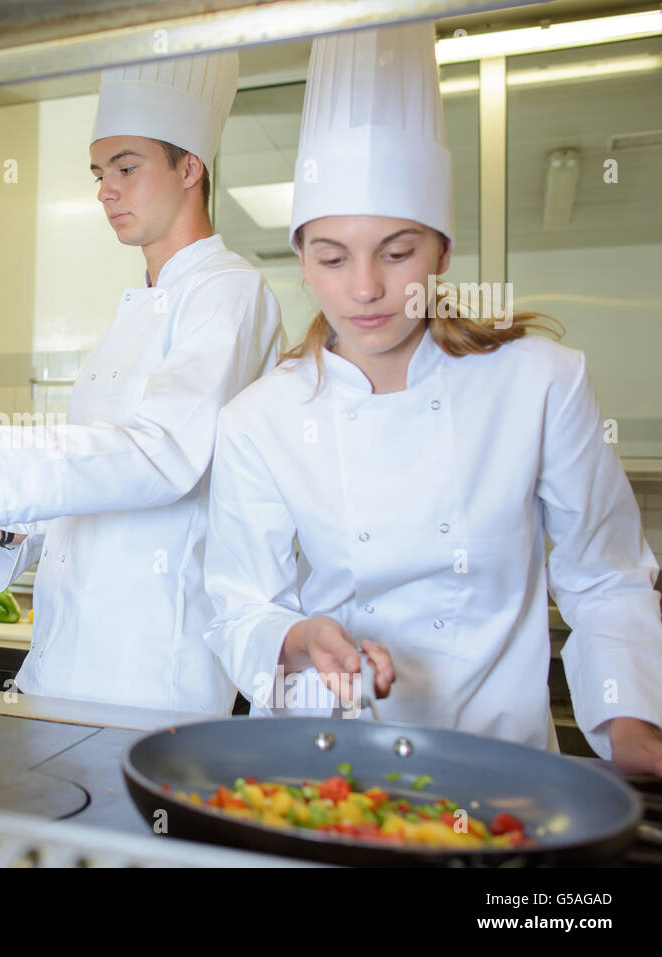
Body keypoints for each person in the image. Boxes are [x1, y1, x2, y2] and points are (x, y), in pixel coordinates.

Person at [202, 22, 662, 774]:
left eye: (396, 251)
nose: (365, 289)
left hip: (508, 770)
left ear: (444, 249)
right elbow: (239, 606)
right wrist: (298, 637)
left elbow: (604, 574)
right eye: (332, 256)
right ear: (301, 259)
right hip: (336, 771)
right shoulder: (260, 420)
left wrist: (632, 724)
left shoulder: (540, 382)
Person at [0, 51, 284, 713]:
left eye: (126, 167)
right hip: (60, 664)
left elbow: (158, 457)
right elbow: (91, 484)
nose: (104, 190)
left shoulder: (229, 295)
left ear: (190, 166)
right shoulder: (132, 315)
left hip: (147, 675)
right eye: (98, 172)